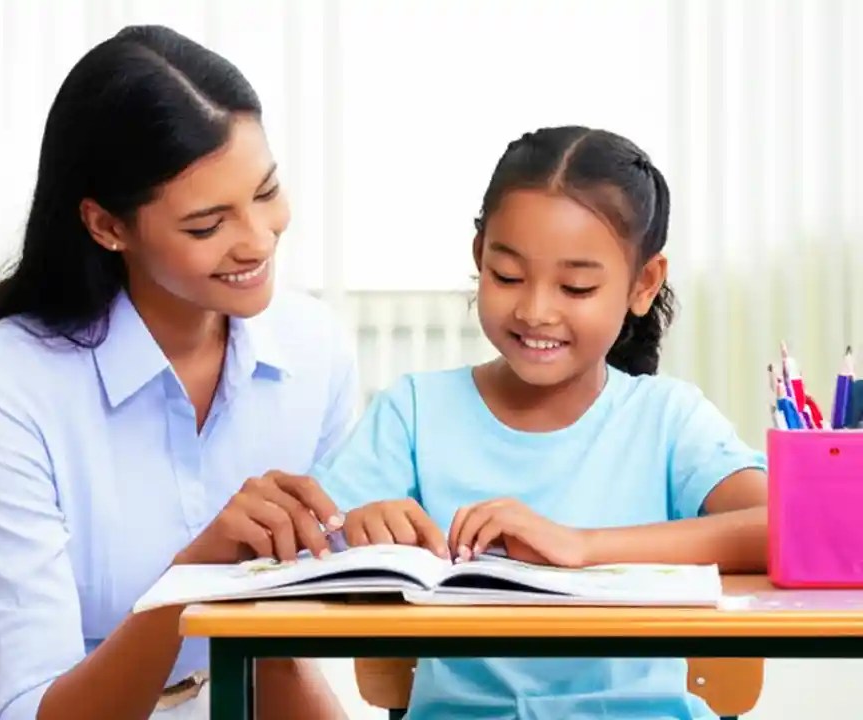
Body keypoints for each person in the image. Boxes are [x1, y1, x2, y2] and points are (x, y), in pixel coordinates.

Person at [0, 25, 354, 720]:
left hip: (198, 696)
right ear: (107, 226)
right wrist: (199, 573)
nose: (257, 240)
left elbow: (279, 650)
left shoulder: (314, 350)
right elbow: (32, 707)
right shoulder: (10, 383)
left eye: (266, 192)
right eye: (207, 225)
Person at [308, 126, 768, 719]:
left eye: (576, 287)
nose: (535, 310)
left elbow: (794, 528)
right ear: (479, 256)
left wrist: (581, 547)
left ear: (643, 284)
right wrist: (354, 528)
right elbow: (306, 545)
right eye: (507, 276)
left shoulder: (667, 419)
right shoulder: (416, 413)